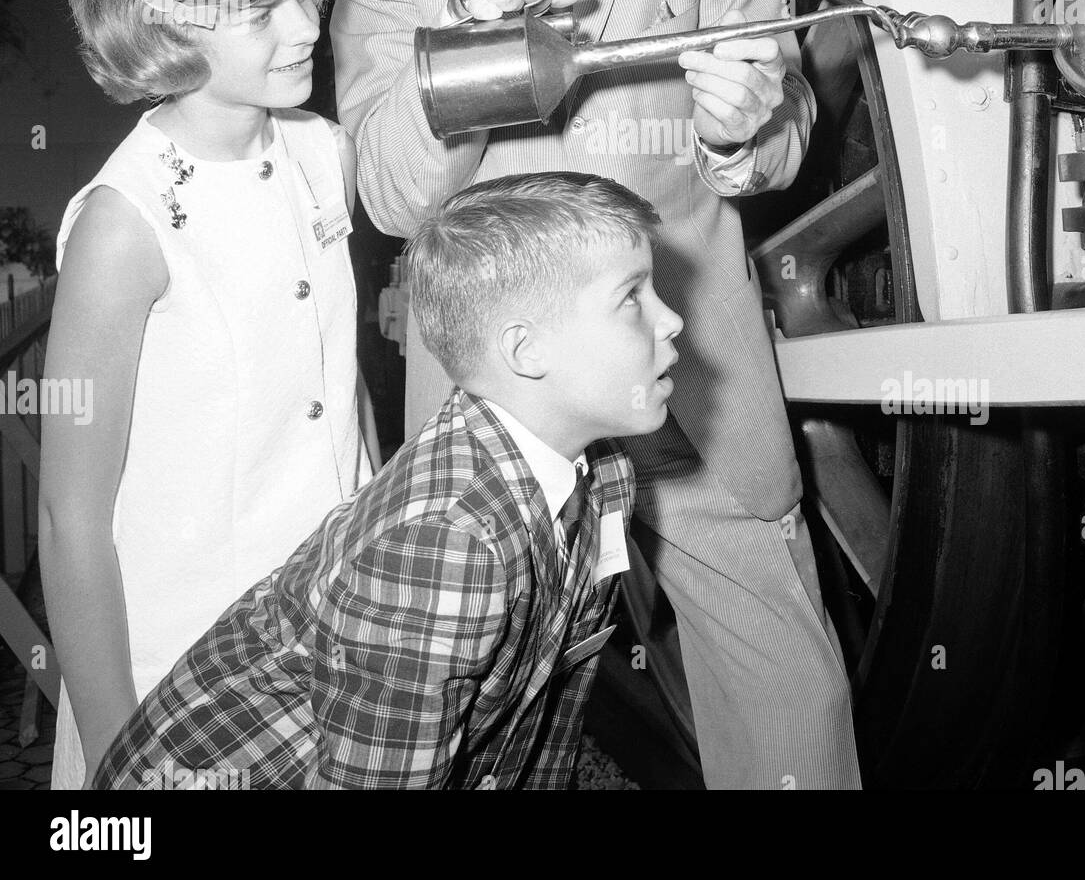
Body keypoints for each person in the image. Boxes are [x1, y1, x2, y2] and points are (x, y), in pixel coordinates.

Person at [330, 0, 859, 789]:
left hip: (696, 373)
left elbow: (784, 140)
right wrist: (469, 45)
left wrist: (752, 128)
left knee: (792, 708)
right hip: (498, 417)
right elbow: (388, 197)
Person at [92, 172, 673, 790]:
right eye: (633, 297)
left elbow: (547, 709)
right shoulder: (445, 548)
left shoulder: (604, 477)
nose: (673, 321)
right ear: (526, 351)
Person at [41, 0, 377, 789]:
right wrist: (122, 756)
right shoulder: (123, 225)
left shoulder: (324, 152)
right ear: (163, 15)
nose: (307, 27)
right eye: (262, 8)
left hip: (326, 658)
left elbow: (338, 401)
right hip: (177, 692)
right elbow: (70, 518)